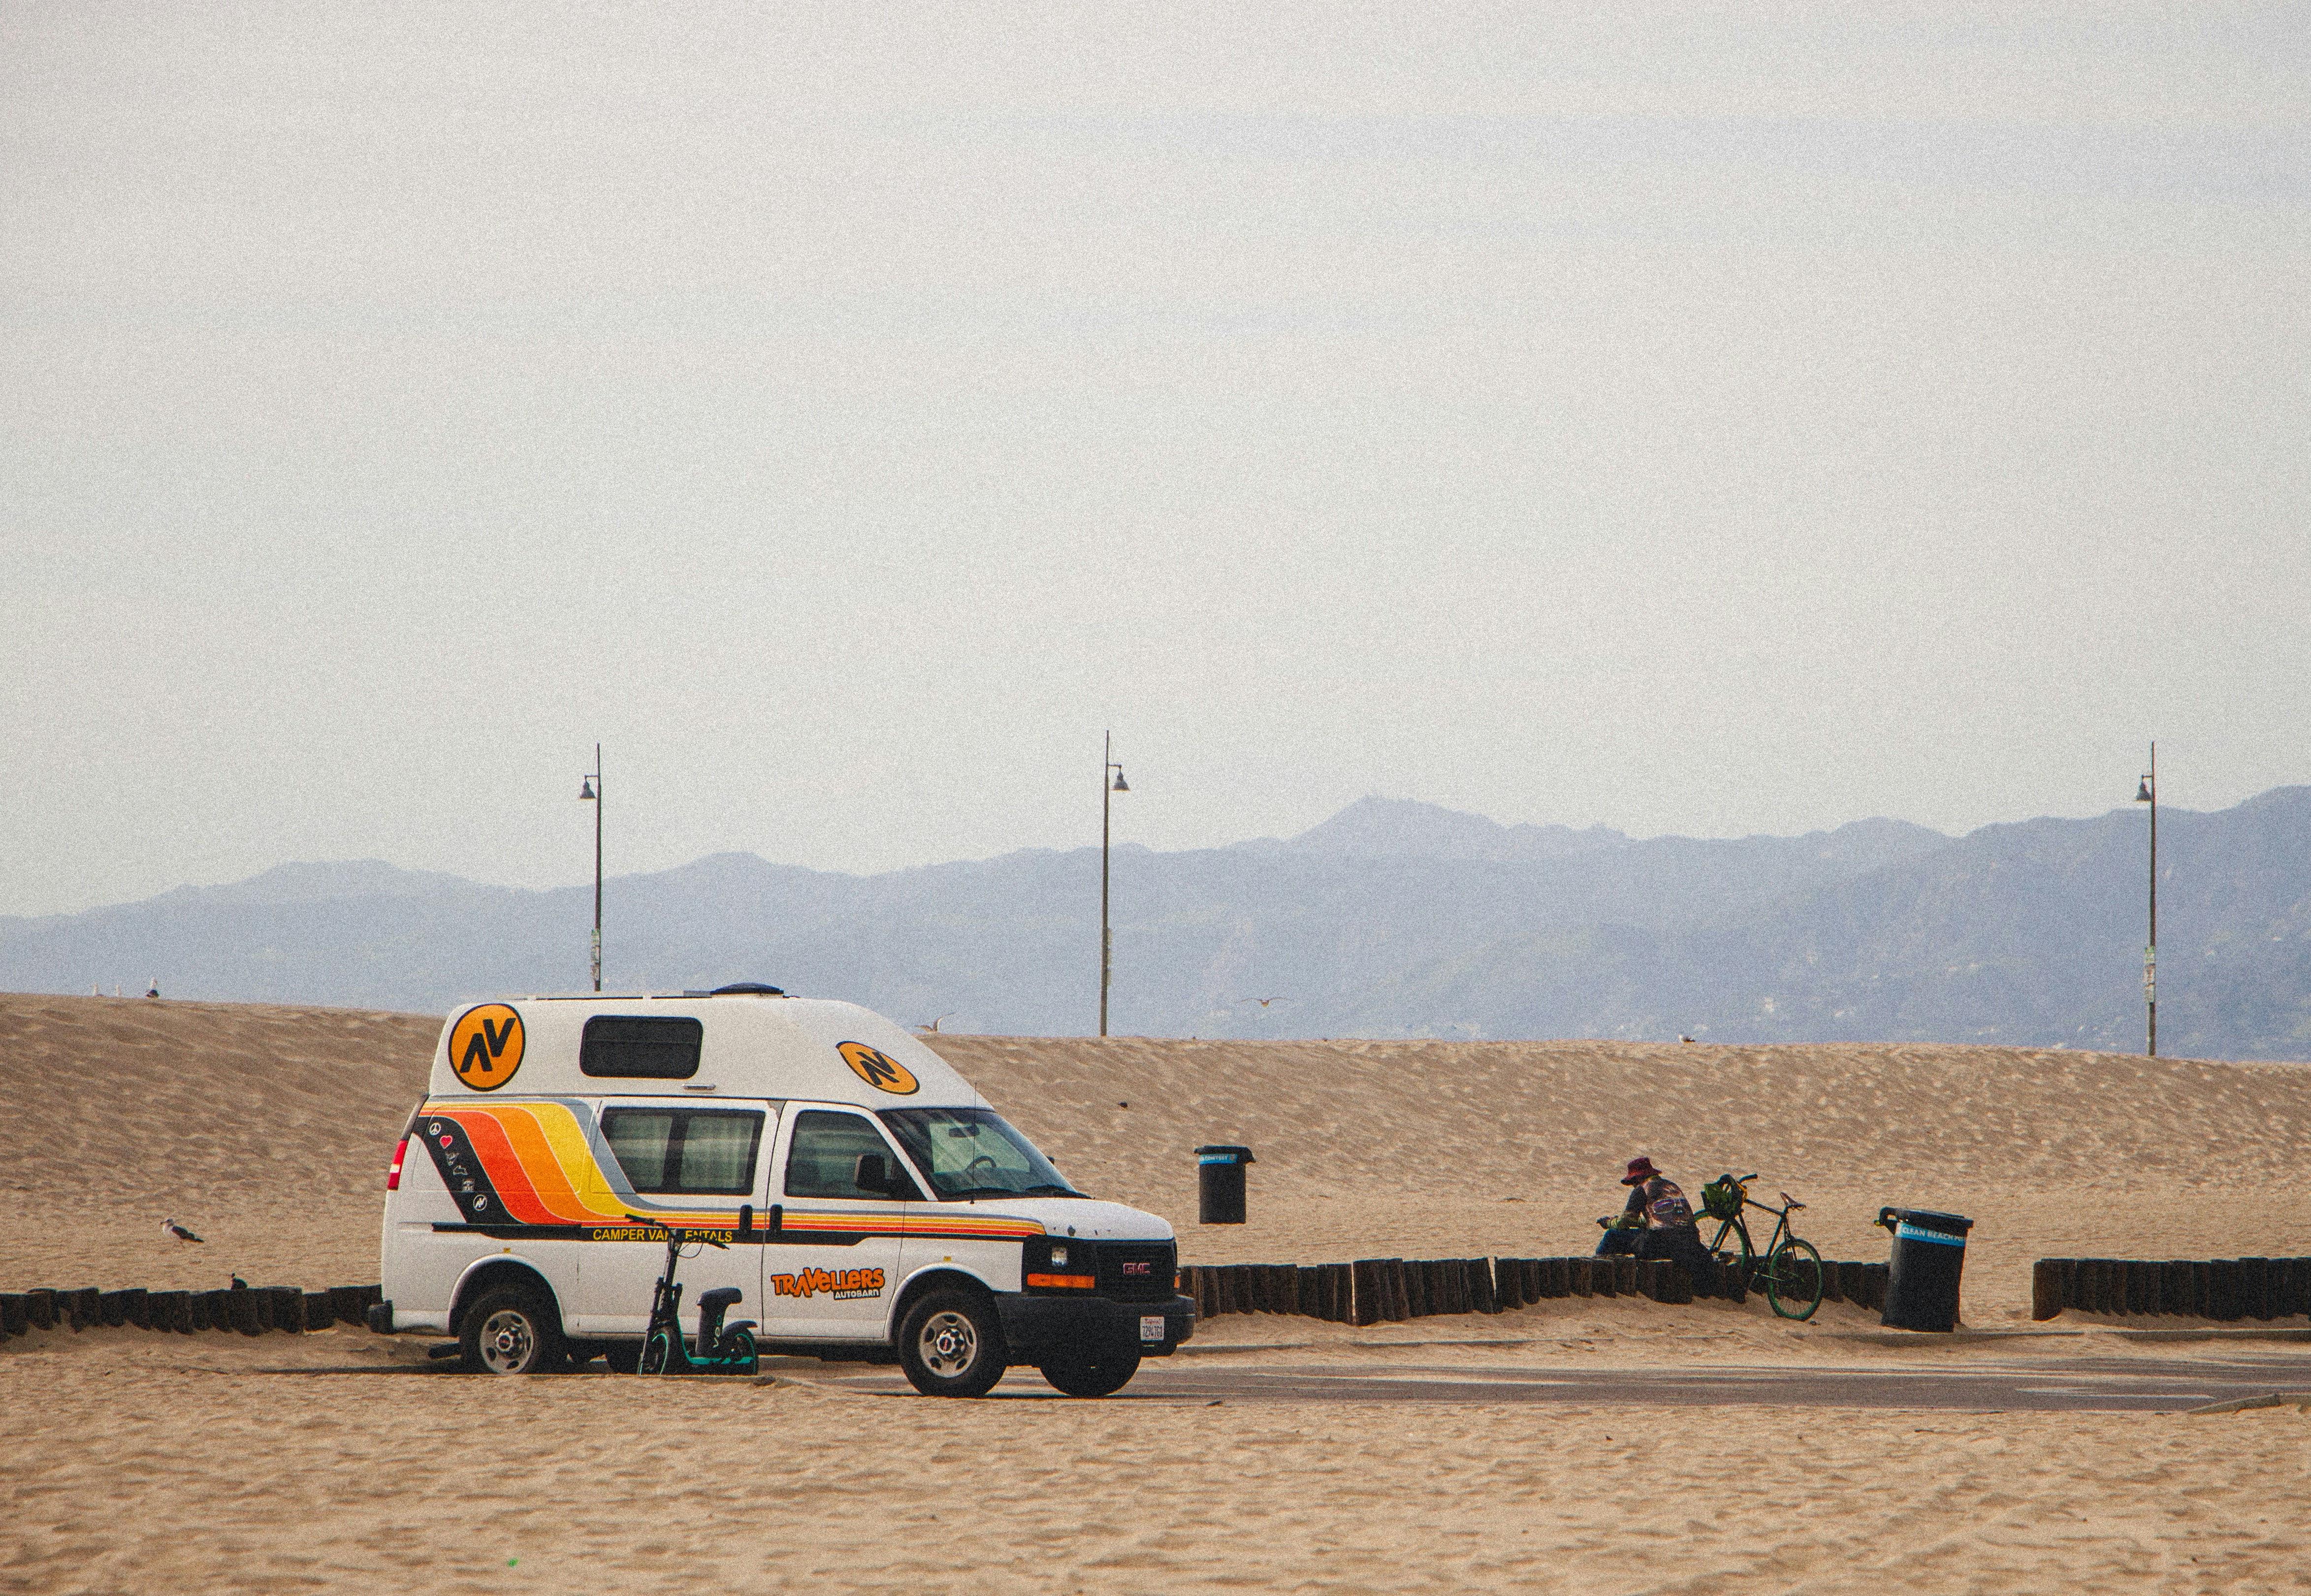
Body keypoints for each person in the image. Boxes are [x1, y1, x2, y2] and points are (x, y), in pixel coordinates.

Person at [1596, 1156, 1716, 1285]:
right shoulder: (1672, 1186)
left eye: (1633, 1183)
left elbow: (1625, 1222)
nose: (1634, 1186)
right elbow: (1660, 1219)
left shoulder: (1642, 1189)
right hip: (1691, 1242)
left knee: (1612, 1236)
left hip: (1660, 1243)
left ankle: (1600, 1278)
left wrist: (1609, 1223)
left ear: (1638, 1178)